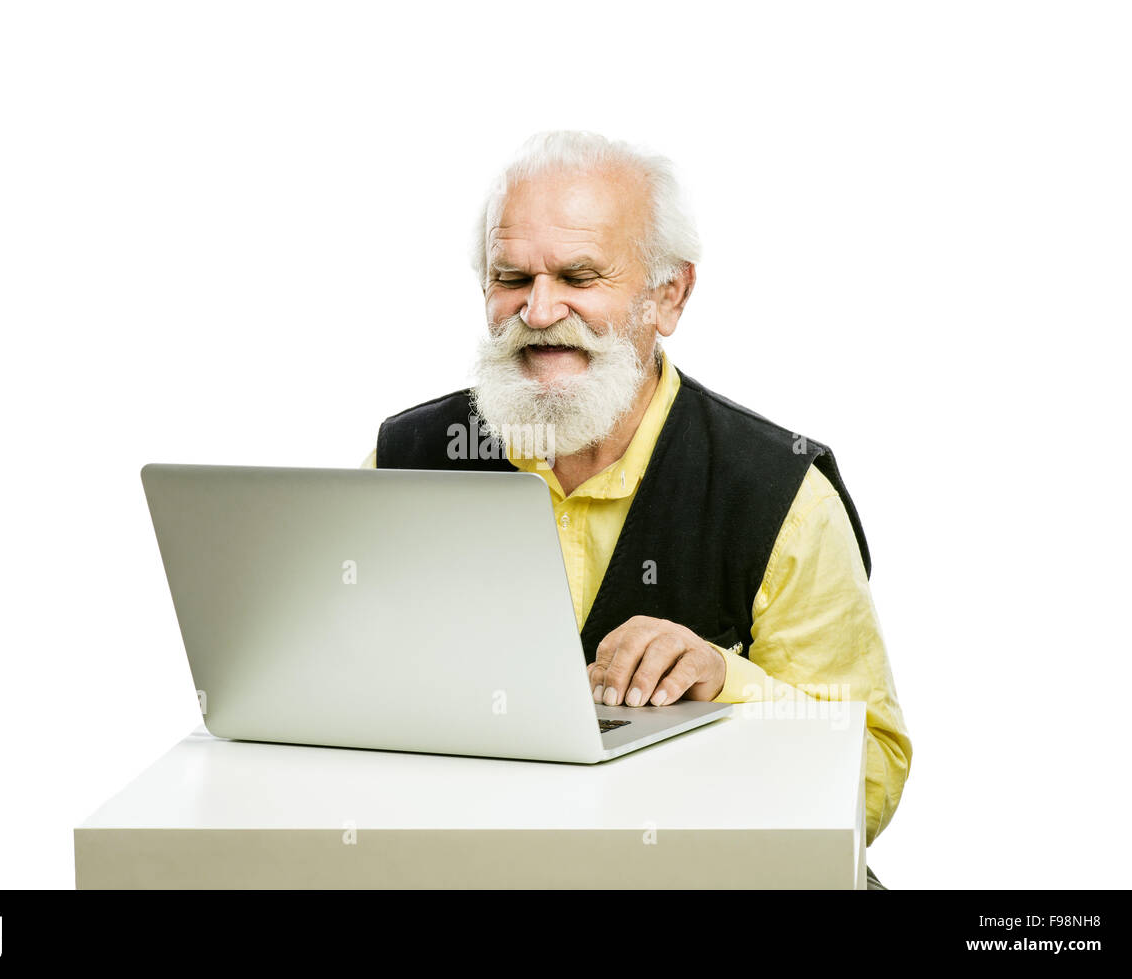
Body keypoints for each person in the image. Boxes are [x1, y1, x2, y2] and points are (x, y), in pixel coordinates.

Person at [362, 131, 911, 887]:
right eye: (512, 276)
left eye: (579, 275)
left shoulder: (779, 494)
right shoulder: (405, 461)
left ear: (669, 296)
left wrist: (726, 679)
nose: (541, 308)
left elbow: (872, 774)